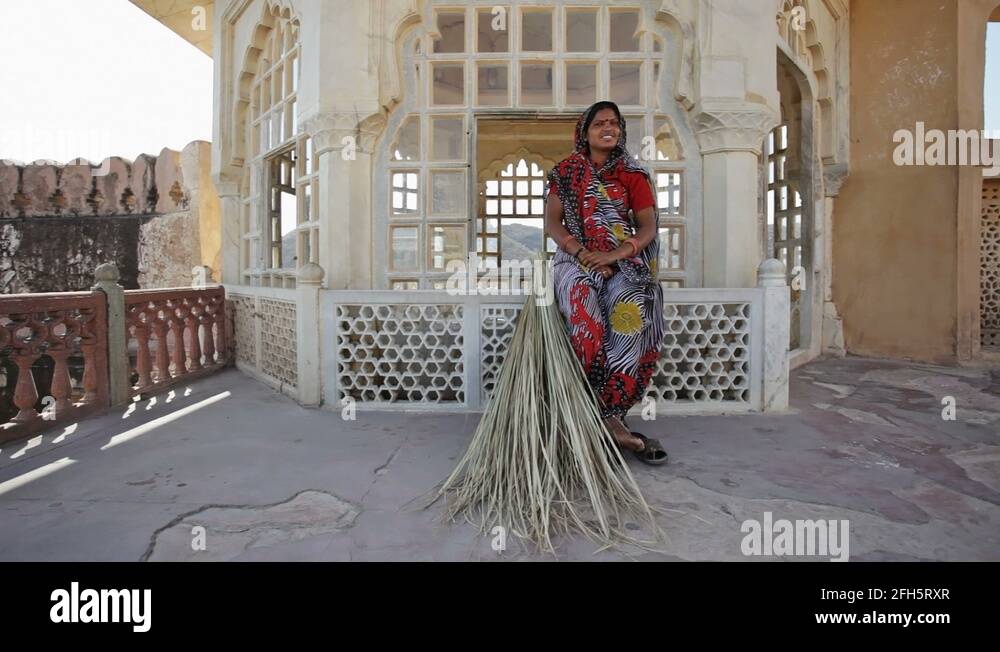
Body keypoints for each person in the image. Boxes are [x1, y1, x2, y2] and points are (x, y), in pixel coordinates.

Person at [543, 100, 668, 465]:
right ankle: (578, 411)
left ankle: (611, 413)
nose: (607, 128)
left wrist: (614, 255)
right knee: (586, 318)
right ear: (585, 131)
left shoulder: (633, 174)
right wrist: (582, 253)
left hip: (621, 261)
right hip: (575, 258)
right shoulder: (565, 173)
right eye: (599, 123)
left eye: (614, 123)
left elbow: (647, 227)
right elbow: (553, 223)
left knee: (631, 313)